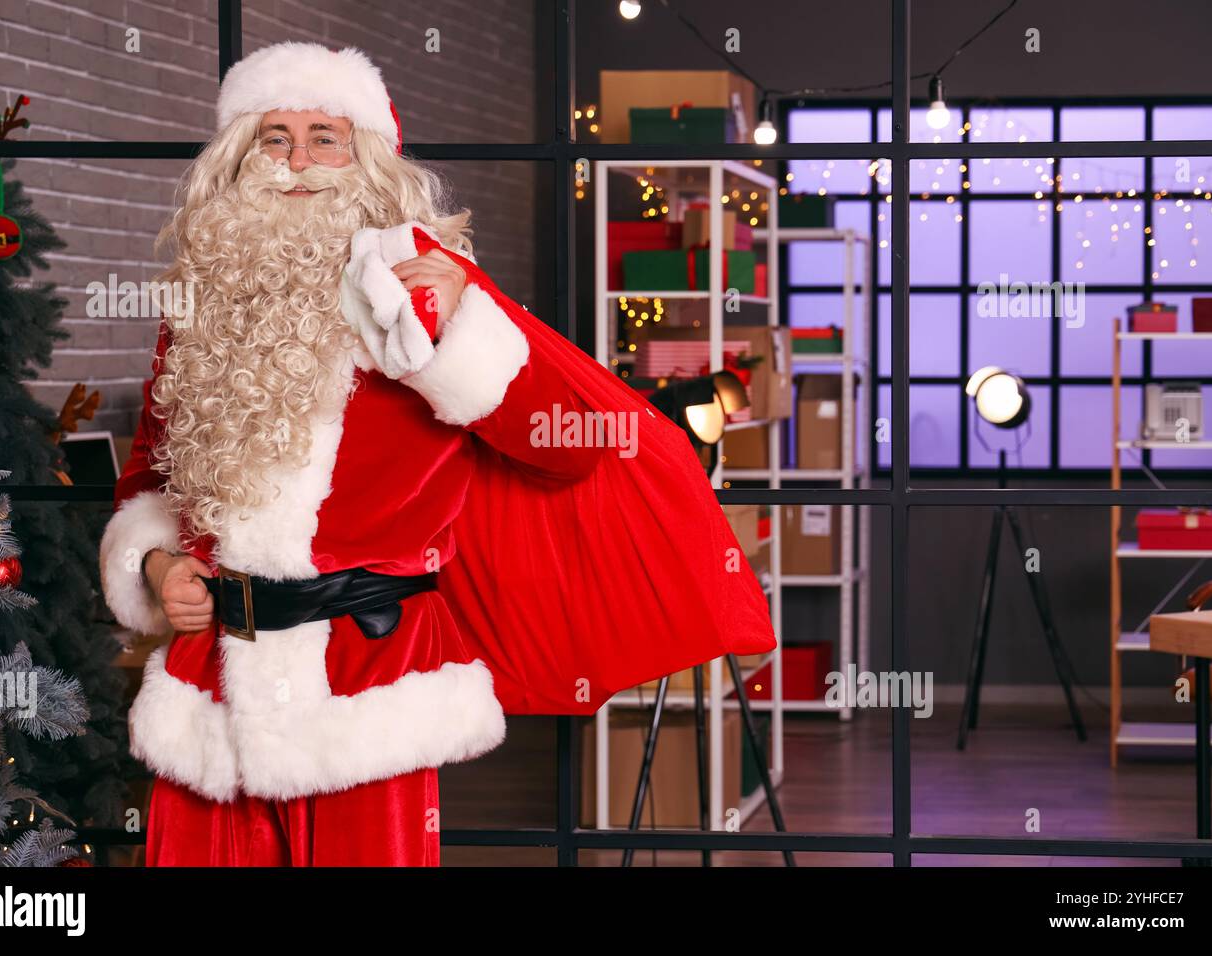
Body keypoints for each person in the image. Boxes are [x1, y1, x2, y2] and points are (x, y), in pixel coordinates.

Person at [99, 41, 775, 866]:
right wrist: (158, 569)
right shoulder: (199, 305)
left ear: (368, 154)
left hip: (367, 682)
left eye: (326, 136)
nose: (299, 161)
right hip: (211, 688)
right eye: (275, 138)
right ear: (241, 156)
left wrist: (456, 333)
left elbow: (564, 444)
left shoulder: (425, 282)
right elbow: (148, 475)